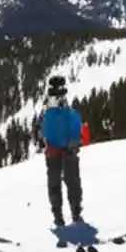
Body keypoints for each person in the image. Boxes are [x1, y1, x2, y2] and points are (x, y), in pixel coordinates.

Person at [38, 76, 84, 226]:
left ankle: (63, 213)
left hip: (57, 149)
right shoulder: (63, 112)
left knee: (59, 182)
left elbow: (45, 128)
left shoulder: (49, 112)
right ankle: (70, 212)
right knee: (69, 181)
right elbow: (74, 123)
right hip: (63, 148)